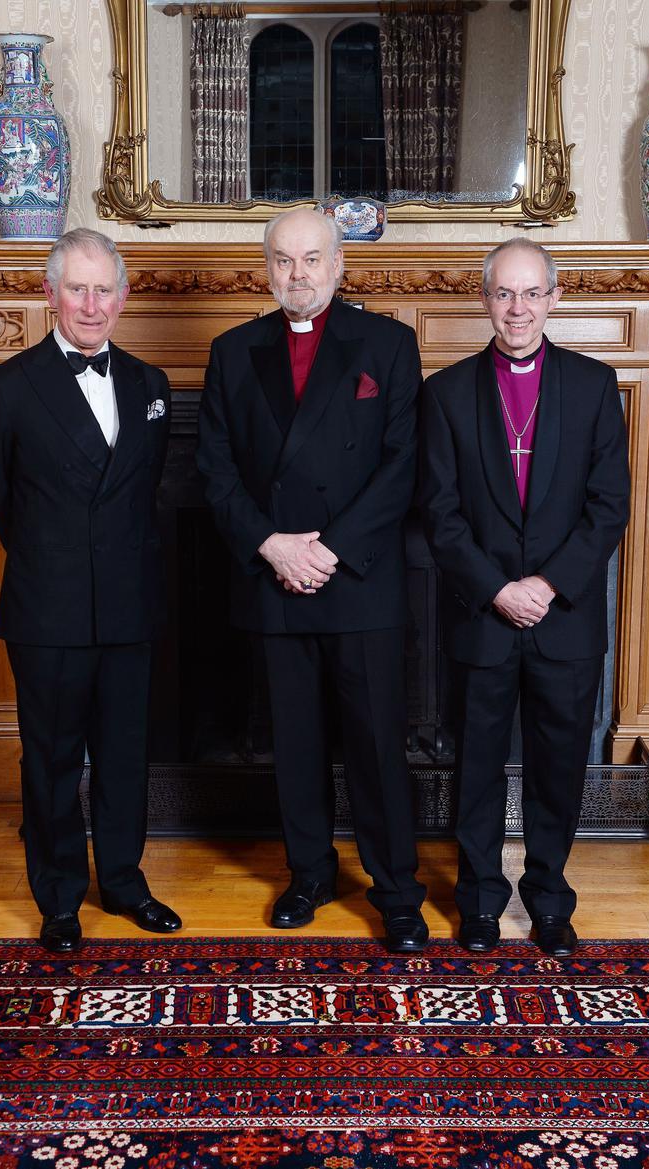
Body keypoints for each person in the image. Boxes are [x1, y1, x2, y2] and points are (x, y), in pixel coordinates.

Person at [196, 207, 427, 953]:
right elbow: (215, 468)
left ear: (339, 264)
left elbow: (403, 465)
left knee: (376, 745)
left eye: (312, 258)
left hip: (357, 577)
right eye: (283, 261)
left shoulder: (389, 345)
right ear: (266, 268)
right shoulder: (233, 351)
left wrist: (328, 550)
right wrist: (272, 544)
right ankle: (309, 874)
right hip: (275, 574)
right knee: (293, 742)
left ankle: (396, 890)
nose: (298, 274)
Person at [0, 227, 181, 953]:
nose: (91, 304)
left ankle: (123, 880)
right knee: (53, 759)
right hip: (48, 607)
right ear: (49, 292)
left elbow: (146, 493)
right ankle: (59, 897)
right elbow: (2, 497)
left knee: (125, 755)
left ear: (122, 297)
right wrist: (58, 562)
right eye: (77, 288)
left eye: (104, 289)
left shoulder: (151, 386)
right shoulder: (7, 387)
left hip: (129, 606)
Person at [420, 237, 630, 957]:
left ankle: (547, 896)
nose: (518, 309)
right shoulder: (444, 393)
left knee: (557, 766)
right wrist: (496, 588)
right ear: (485, 300)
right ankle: (478, 900)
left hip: (564, 619)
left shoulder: (595, 385)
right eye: (504, 294)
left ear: (555, 297)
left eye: (531, 293)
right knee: (475, 764)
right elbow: (439, 514)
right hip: (481, 618)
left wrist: (543, 586)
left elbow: (608, 506)